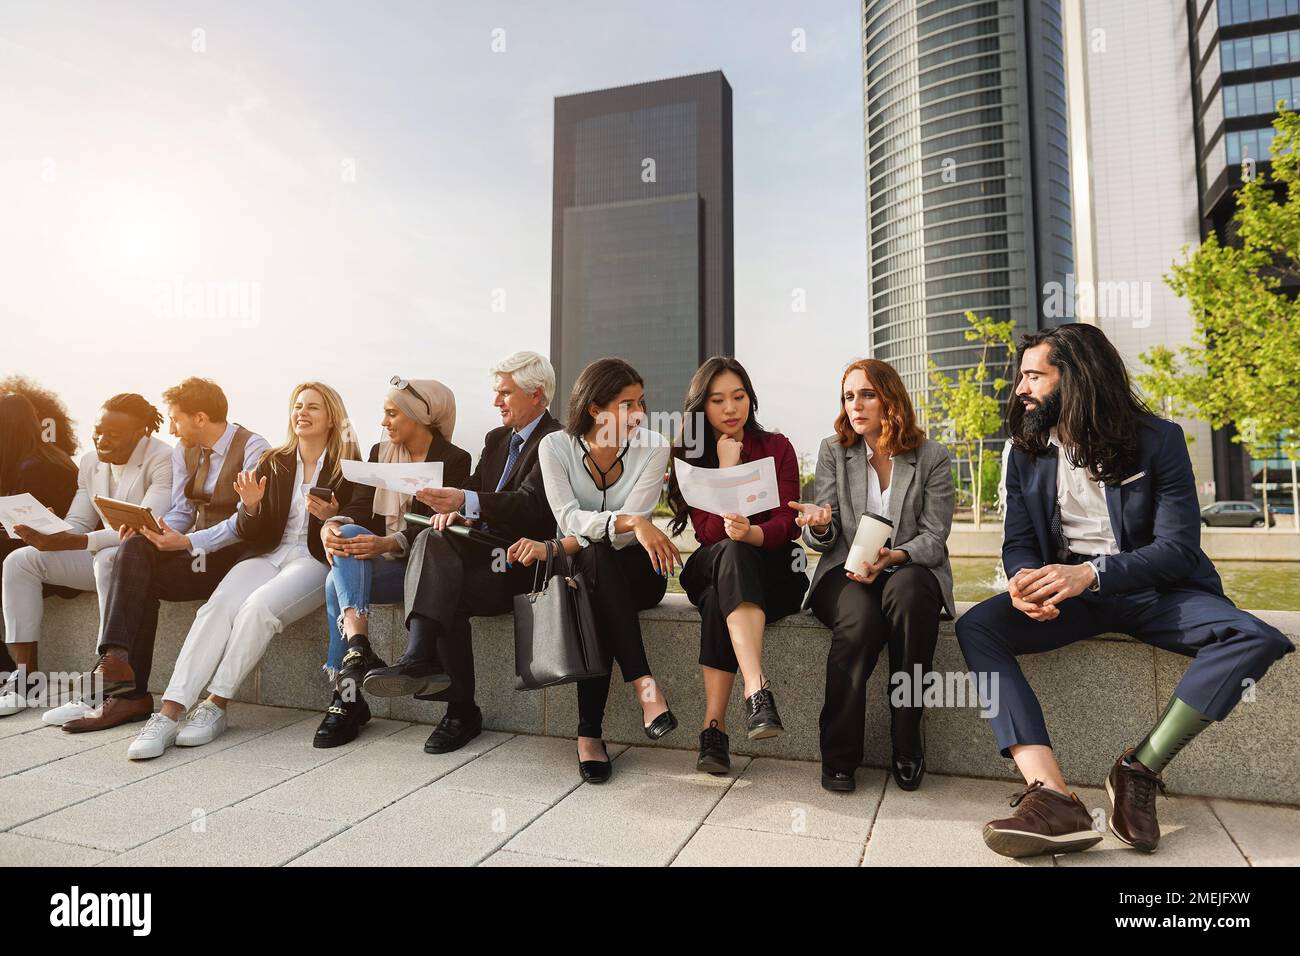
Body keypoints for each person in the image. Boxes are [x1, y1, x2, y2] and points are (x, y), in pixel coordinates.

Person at [957, 323, 1294, 858]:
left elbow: (1178, 548)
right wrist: (1025, 583)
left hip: (1156, 591)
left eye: (1032, 376)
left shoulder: (1159, 439)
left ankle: (1138, 769)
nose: (1020, 388)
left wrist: (1092, 574)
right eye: (1020, 377)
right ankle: (1051, 795)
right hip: (1070, 596)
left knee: (1256, 638)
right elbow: (1019, 542)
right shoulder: (1025, 451)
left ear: (1077, 379)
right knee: (977, 624)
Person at [125, 383, 363, 759]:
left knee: (257, 610)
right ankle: (169, 712)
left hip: (313, 560)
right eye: (297, 405)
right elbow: (252, 531)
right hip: (267, 553)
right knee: (216, 608)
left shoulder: (349, 468)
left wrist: (333, 517)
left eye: (313, 407)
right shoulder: (274, 461)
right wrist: (251, 506)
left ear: (332, 416)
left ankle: (215, 705)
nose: (302, 412)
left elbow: (363, 522)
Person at [359, 352, 562, 754]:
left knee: (439, 564)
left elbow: (530, 506)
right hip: (482, 557)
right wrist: (453, 509)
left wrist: (468, 501)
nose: (496, 401)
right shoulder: (496, 439)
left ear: (536, 394)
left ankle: (435, 677)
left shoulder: (555, 440)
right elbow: (474, 488)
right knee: (435, 547)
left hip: (521, 562)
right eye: (496, 393)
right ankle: (454, 703)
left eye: (505, 392)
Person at [47, 378, 270, 733]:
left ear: (199, 417)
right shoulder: (185, 449)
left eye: (175, 419)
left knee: (140, 568)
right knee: (135, 546)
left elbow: (245, 521)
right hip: (195, 548)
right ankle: (119, 667)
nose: (170, 428)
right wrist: (156, 530)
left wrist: (188, 543)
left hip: (235, 555)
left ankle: (126, 691)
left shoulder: (254, 448)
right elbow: (183, 510)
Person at [789, 359, 955, 793]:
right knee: (859, 622)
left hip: (906, 567)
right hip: (844, 570)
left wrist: (896, 554)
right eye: (848, 396)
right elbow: (822, 540)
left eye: (866, 394)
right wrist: (820, 524)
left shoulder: (932, 456)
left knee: (913, 593)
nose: (855, 405)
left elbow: (935, 539)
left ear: (890, 398)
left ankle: (906, 737)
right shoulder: (833, 451)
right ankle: (839, 754)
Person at [511, 357, 679, 784]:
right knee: (595, 572)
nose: (639, 414)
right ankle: (644, 689)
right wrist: (627, 523)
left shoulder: (654, 446)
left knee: (598, 564)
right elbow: (568, 517)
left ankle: (589, 734)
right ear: (594, 409)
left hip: (641, 573)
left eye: (642, 402)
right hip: (591, 574)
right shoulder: (556, 447)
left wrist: (627, 524)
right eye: (627, 404)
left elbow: (626, 533)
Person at [309, 377, 471, 748]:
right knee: (345, 543)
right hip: (372, 567)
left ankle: (347, 696)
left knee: (335, 584)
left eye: (392, 413)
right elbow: (357, 507)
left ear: (419, 416)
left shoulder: (454, 459)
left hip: (420, 571)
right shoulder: (379, 452)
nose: (384, 422)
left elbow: (441, 529)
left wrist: (388, 541)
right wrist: (330, 526)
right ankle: (358, 651)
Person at [665, 357, 808, 775]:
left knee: (719, 598)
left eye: (739, 396)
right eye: (718, 400)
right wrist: (726, 468)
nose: (731, 408)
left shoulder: (777, 447)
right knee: (729, 552)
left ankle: (714, 729)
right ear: (701, 407)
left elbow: (788, 521)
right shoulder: (692, 455)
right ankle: (756, 689)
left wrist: (754, 534)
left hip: (774, 573)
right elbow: (709, 531)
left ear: (750, 399)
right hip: (717, 560)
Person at [1, 394, 172, 717]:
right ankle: (25, 679)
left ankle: (102, 687)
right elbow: (78, 523)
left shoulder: (162, 458)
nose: (102, 440)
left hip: (141, 562)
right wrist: (48, 529)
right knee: (20, 561)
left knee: (110, 559)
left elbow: (144, 526)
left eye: (114, 435)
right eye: (98, 431)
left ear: (140, 434)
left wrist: (74, 540)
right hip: (97, 554)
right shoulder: (90, 461)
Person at [0, 392, 79, 686]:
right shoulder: (43, 457)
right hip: (45, 551)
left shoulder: (36, 467)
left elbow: (35, 531)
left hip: (57, 558)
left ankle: (10, 673)